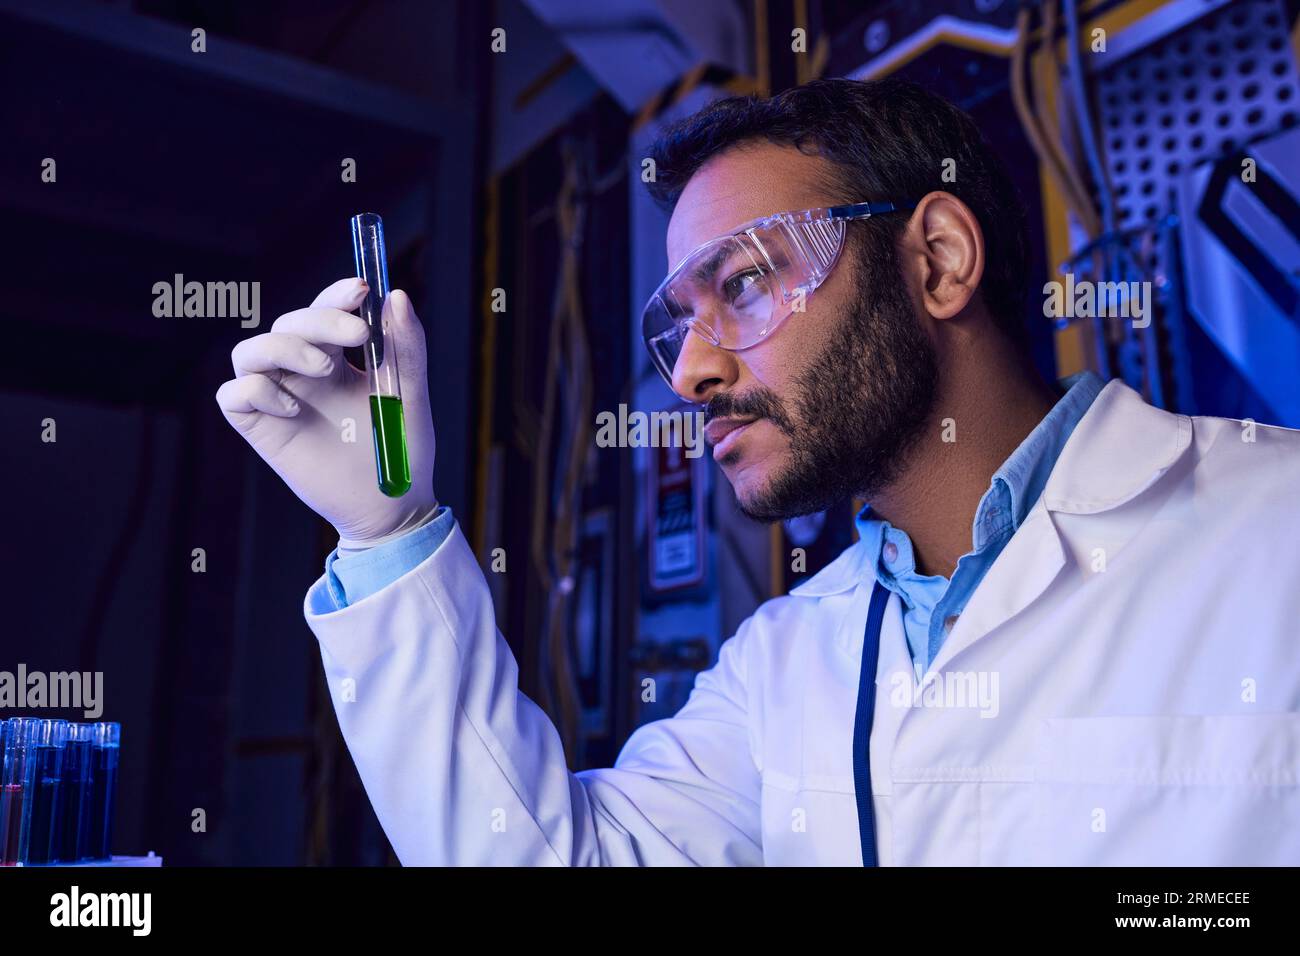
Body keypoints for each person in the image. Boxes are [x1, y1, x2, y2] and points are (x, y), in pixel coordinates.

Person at [216, 78, 1300, 866]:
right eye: (675, 323)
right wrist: (387, 531)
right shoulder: (784, 660)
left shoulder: (1271, 529)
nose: (691, 369)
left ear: (935, 260)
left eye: (740, 283)